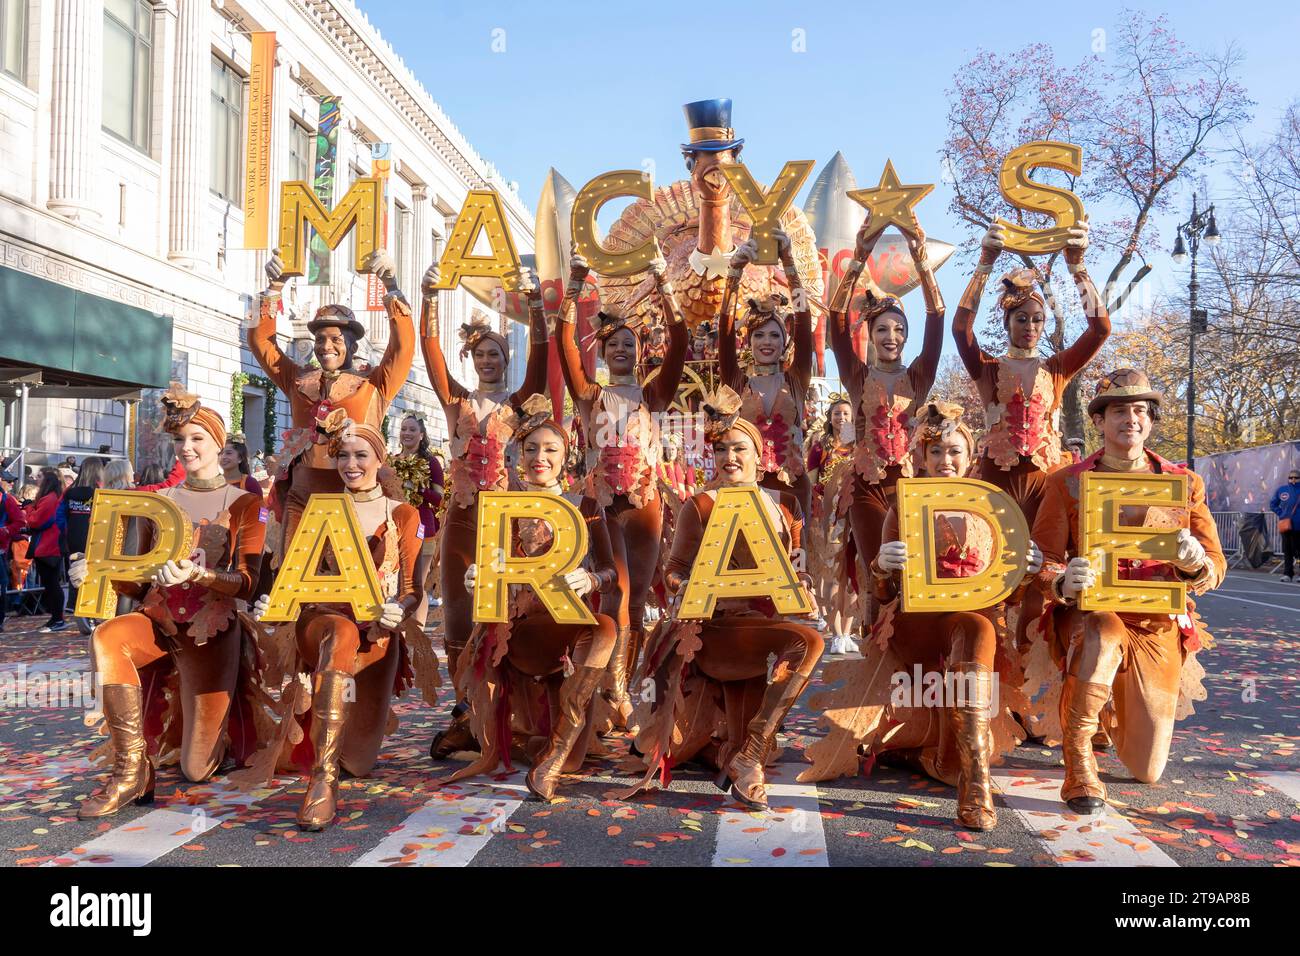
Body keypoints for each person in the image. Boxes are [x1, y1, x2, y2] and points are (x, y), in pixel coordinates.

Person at [800, 403, 1043, 830]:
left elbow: (1008, 592)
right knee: (974, 630)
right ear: (922, 458)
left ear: (970, 457)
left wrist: (1028, 572)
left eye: (954, 452)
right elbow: (881, 592)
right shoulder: (904, 506)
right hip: (916, 628)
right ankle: (977, 786)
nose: (945, 462)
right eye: (936, 452)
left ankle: (954, 772)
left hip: (971, 626)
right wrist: (881, 567)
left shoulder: (992, 508)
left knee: (977, 628)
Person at [66, 385, 268, 817]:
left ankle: (223, 725)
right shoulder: (157, 502)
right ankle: (130, 770)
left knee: (197, 768)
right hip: (158, 620)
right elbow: (138, 585)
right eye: (180, 440)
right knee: (107, 637)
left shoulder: (247, 502)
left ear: (220, 443)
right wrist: (99, 571)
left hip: (211, 632)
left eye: (197, 438)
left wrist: (203, 574)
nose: (187, 448)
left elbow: (250, 583)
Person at [618, 387, 823, 809]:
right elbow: (673, 570)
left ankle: (747, 753)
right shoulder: (701, 505)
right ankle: (736, 754)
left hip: (762, 630)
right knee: (693, 744)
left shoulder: (787, 506)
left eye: (740, 449)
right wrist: (688, 588)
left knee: (811, 641)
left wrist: (805, 590)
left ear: (760, 455)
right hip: (712, 630)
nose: (730, 457)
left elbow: (798, 568)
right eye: (722, 449)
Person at [1031, 369, 1225, 814]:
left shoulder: (1184, 483)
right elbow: (1041, 560)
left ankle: (1110, 713)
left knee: (1147, 769)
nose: (1131, 419)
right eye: (1119, 410)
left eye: (1140, 410)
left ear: (1151, 420)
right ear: (1100, 421)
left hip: (1157, 623)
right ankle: (1078, 763)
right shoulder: (1067, 482)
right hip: (1093, 615)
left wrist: (1197, 564)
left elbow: (1216, 565)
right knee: (1100, 636)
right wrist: (1061, 579)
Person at [248, 414, 438, 830]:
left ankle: (334, 756)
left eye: (361, 455)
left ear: (379, 459)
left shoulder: (403, 514)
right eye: (344, 456)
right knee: (340, 630)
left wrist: (400, 609)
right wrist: (274, 603)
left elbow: (412, 586)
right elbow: (292, 572)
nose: (351, 464)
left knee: (360, 760)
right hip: (323, 621)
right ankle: (322, 780)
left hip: (377, 634)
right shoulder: (319, 508)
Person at [433, 395, 621, 801]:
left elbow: (612, 572)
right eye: (531, 448)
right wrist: (476, 577)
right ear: (518, 454)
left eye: (551, 449)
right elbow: (489, 564)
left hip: (566, 635)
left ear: (565, 457)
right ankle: (493, 734)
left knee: (605, 629)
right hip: (517, 635)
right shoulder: (500, 507)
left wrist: (591, 579)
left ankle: (550, 754)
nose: (541, 457)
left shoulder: (586, 505)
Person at [420, 261, 550, 758]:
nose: (487, 361)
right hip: (462, 518)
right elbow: (432, 357)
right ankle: (463, 715)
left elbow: (541, 357)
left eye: (495, 353)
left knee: (503, 616)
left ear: (505, 358)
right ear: (472, 359)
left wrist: (536, 304)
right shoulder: (457, 401)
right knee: (458, 616)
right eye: (480, 354)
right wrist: (430, 297)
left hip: (509, 523)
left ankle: (505, 713)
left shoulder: (521, 402)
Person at [558, 250, 688, 730]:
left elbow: (679, 343)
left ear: (639, 353)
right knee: (613, 596)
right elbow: (565, 343)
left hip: (646, 510)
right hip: (601, 510)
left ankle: (622, 690)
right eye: (611, 344)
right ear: (603, 352)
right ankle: (608, 690)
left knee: (636, 603)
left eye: (628, 345)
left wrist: (663, 281)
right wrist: (573, 284)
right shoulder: (589, 395)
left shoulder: (654, 396)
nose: (619, 351)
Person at [251, 248, 413, 567]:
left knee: (355, 580)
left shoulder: (374, 382)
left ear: (352, 345)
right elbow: (260, 342)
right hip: (302, 492)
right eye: (320, 339)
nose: (326, 346)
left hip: (355, 491)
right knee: (294, 577)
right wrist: (272, 289)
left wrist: (392, 286)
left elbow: (403, 348)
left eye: (336, 339)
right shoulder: (298, 378)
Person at [828, 213, 945, 633]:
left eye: (898, 329)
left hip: (912, 484)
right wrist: (858, 256)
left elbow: (937, 319)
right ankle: (875, 642)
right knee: (876, 566)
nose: (891, 336)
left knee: (913, 566)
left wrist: (920, 257)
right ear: (871, 334)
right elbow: (836, 320)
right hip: (867, 488)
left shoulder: (919, 377)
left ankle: (915, 643)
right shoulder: (857, 376)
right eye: (882, 329)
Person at [718, 230, 815, 522]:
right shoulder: (737, 385)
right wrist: (734, 272)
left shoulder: (795, 380)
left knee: (796, 564)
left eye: (775, 335)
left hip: (793, 490)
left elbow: (803, 319)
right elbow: (724, 332)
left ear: (785, 341)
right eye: (759, 335)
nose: (767, 342)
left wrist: (789, 264)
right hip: (747, 488)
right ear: (749, 342)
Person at [805, 393, 860, 654]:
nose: (842, 418)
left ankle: (848, 631)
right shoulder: (819, 446)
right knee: (831, 574)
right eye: (837, 414)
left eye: (846, 414)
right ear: (830, 417)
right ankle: (836, 632)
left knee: (852, 573)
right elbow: (811, 481)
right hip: (827, 517)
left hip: (853, 514)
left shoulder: (857, 445)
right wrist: (826, 494)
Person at [392, 413, 444, 629]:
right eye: (404, 429)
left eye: (412, 429)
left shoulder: (431, 462)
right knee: (397, 584)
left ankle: (418, 631)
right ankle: (398, 631)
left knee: (417, 584)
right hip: (396, 529)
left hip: (423, 528)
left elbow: (439, 499)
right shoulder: (392, 461)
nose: (407, 433)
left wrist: (419, 489)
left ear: (421, 435)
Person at [57, 457, 104, 632]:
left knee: (77, 573)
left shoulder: (70, 491)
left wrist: (64, 534)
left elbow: (59, 517)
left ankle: (77, 608)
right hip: (95, 536)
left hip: (74, 536)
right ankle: (92, 611)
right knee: (94, 574)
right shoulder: (100, 491)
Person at [23, 468, 67, 633]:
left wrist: (28, 509)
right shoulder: (50, 498)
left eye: (40, 476)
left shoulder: (49, 499)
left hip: (48, 546)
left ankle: (58, 618)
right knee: (50, 584)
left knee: (52, 584)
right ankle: (55, 618)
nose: (36, 479)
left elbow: (36, 521)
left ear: (48, 481)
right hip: (47, 545)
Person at [0, 472, 24, 631]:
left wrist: (6, 531)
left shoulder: (6, 499)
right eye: (7, 481)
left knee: (2, 583)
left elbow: (20, 521)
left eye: (11, 481)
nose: (11, 484)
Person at [1269, 468, 1300, 581]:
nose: (1293, 480)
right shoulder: (1282, 490)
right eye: (1290, 477)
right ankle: (1288, 574)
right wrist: (1281, 514)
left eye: (1296, 477)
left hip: (1299, 526)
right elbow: (1273, 504)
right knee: (1288, 551)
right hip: (1286, 525)